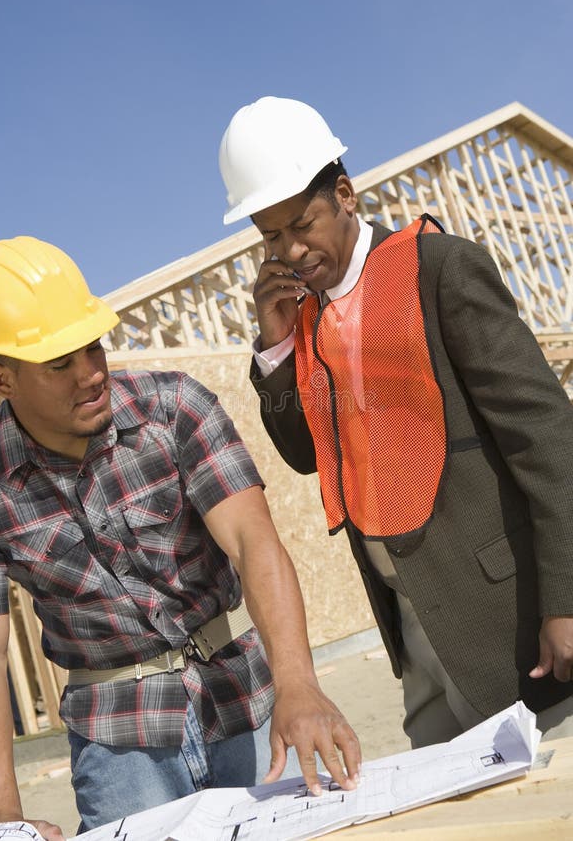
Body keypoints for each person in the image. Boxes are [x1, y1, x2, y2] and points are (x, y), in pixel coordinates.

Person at [0, 235, 361, 840]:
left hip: (243, 703)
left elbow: (254, 542)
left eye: (92, 348)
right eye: (59, 364)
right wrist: (0, 824)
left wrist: (300, 685)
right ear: (3, 379)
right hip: (117, 743)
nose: (90, 374)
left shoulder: (176, 407)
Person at [218, 95, 573, 751]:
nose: (291, 249)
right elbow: (303, 454)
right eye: (271, 236)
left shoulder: (438, 270)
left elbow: (548, 436)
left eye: (303, 223)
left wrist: (567, 598)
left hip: (504, 613)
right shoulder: (303, 319)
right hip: (410, 624)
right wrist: (274, 350)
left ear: (346, 195)